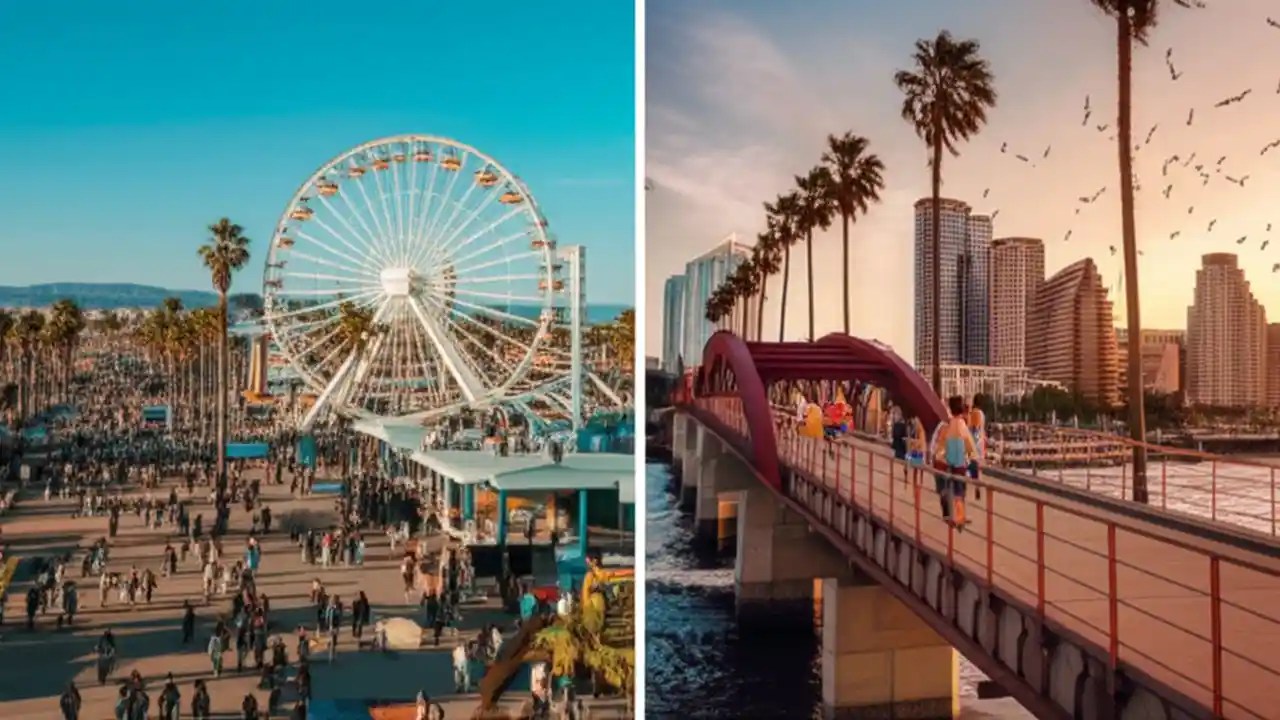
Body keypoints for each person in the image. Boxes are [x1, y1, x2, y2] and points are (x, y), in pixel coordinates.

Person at [933, 396, 979, 527]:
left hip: (944, 460)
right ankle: (959, 517)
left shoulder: (947, 424)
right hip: (958, 460)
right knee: (959, 489)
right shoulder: (961, 424)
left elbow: (940, 443)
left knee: (945, 488)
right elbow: (968, 442)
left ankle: (947, 515)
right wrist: (974, 457)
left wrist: (939, 456)